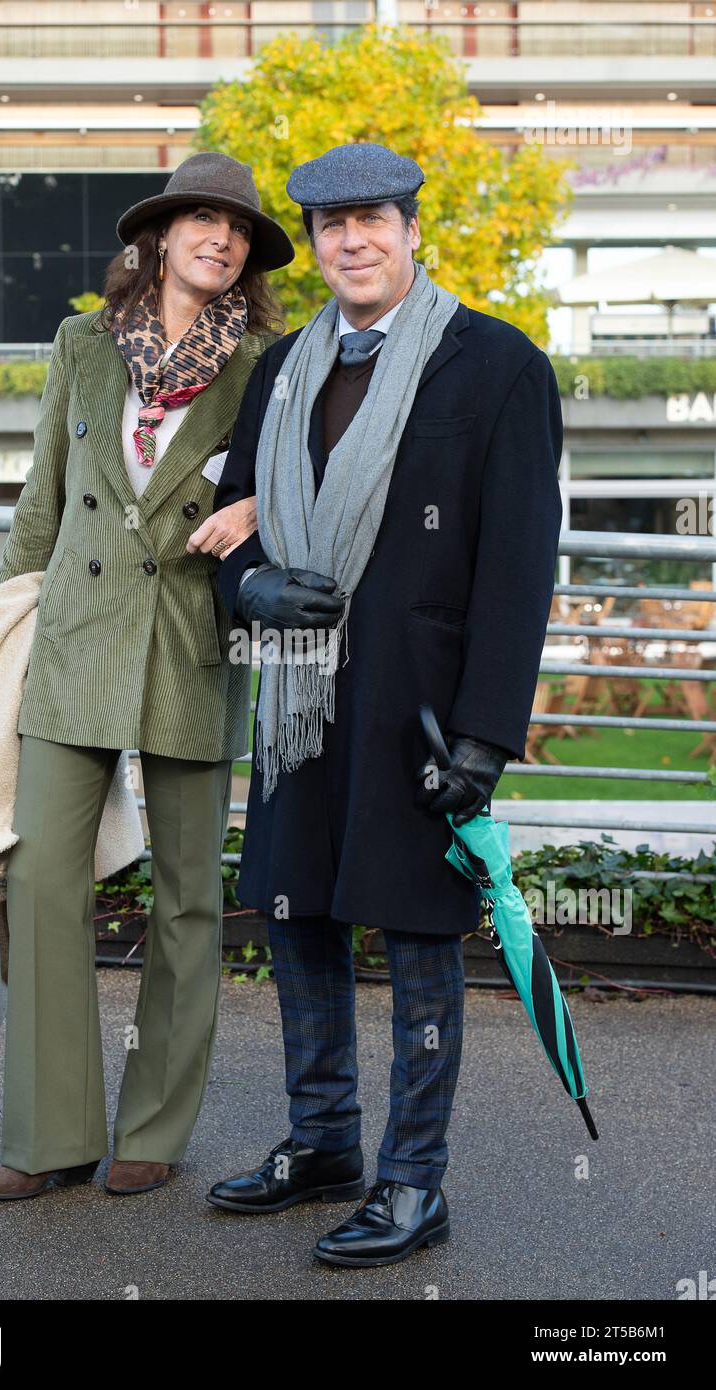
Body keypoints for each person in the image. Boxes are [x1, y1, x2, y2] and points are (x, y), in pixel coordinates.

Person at [205, 142, 563, 1266]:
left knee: (414, 935)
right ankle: (322, 1145)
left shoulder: (494, 364)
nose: (350, 242)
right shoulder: (280, 372)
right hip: (300, 699)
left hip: (419, 705)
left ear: (411, 228)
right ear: (311, 245)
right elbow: (230, 526)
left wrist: (486, 737)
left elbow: (518, 564)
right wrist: (247, 583)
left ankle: (414, 1182)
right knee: (296, 919)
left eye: (370, 221)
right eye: (328, 227)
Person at [0, 152, 294, 1200]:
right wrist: (0, 637)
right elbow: (43, 500)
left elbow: (299, 492)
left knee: (189, 897)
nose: (223, 238)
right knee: (41, 882)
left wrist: (259, 511)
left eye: (239, 230)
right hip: (71, 639)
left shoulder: (268, 366)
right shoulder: (80, 345)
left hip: (190, 643)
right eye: (203, 219)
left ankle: (152, 1123)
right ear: (157, 236)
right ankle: (46, 1132)